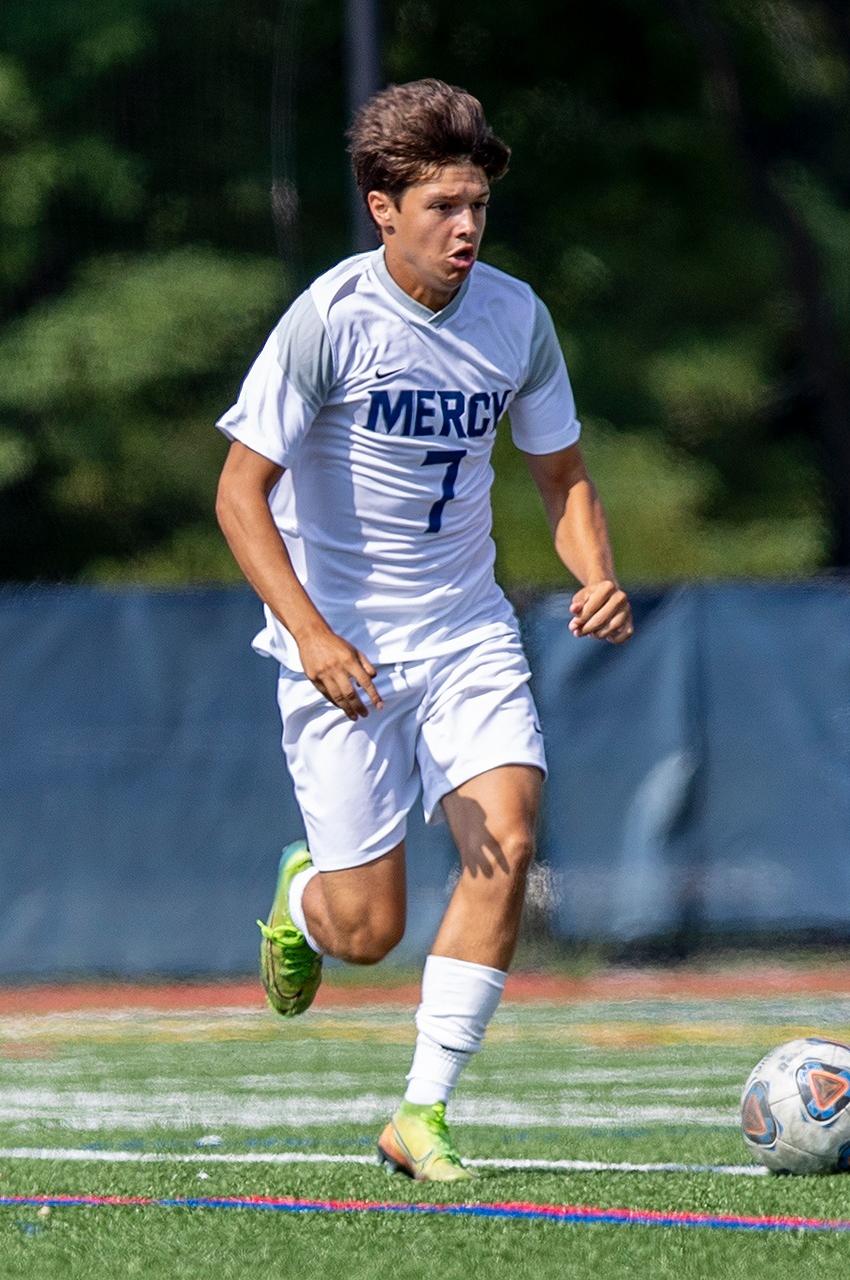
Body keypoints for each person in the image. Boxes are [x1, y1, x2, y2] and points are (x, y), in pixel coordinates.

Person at [214, 79, 631, 1182]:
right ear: (380, 207)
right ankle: (303, 897)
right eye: (442, 205)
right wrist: (309, 632)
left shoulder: (516, 317)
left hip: (465, 631)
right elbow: (239, 493)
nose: (465, 228)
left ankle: (422, 1110)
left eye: (478, 206)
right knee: (367, 931)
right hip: (340, 649)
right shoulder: (329, 319)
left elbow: (562, 474)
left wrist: (593, 571)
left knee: (509, 834)